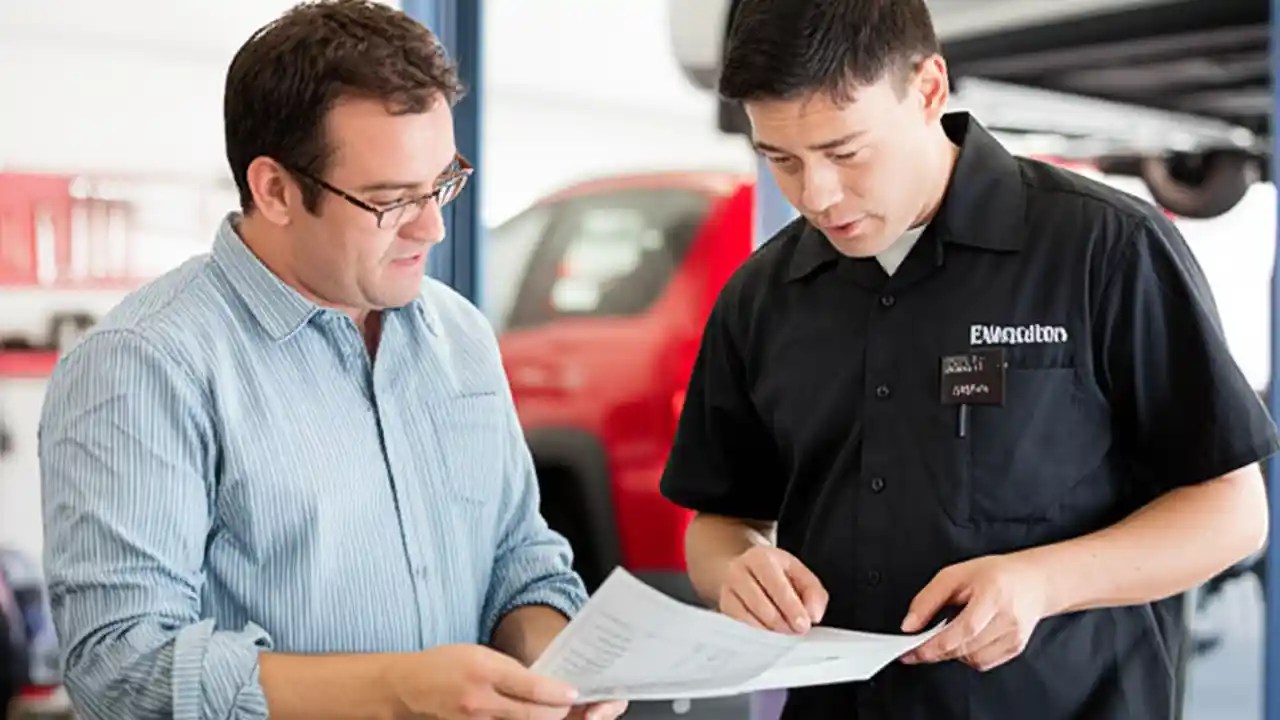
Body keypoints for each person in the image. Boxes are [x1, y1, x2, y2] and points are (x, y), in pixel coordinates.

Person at [659, 0, 1277, 718]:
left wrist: (1043, 583)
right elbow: (718, 521)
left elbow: (1234, 513)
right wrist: (735, 568)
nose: (818, 197)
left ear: (928, 89)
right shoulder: (760, 296)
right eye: (782, 161)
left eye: (845, 152)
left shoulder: (1105, 249)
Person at [37, 2, 625, 719]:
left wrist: (555, 668)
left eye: (442, 182)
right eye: (390, 200)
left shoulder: (460, 335)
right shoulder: (145, 367)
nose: (433, 225)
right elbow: (120, 666)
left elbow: (518, 556)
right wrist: (395, 691)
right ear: (276, 191)